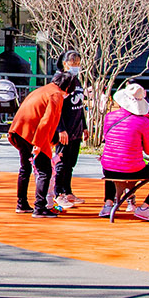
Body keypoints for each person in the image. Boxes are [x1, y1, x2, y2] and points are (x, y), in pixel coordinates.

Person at [96, 83, 149, 222]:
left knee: (112, 163)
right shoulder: (143, 122)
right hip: (133, 169)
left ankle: (108, 203)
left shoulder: (109, 117)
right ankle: (145, 207)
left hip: (108, 167)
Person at [8, 70, 80, 218]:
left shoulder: (44, 89)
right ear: (68, 88)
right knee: (44, 170)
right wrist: (39, 144)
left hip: (20, 130)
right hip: (32, 133)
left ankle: (21, 203)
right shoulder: (56, 95)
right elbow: (46, 122)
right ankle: (40, 207)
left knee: (25, 168)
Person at [52, 50, 87, 211]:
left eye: (78, 64)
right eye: (73, 63)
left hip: (76, 129)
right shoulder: (60, 79)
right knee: (61, 163)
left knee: (70, 163)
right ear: (65, 63)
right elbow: (56, 107)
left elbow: (80, 106)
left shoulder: (77, 81)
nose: (76, 67)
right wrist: (60, 129)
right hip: (64, 129)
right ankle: (58, 193)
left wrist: (84, 126)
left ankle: (68, 191)